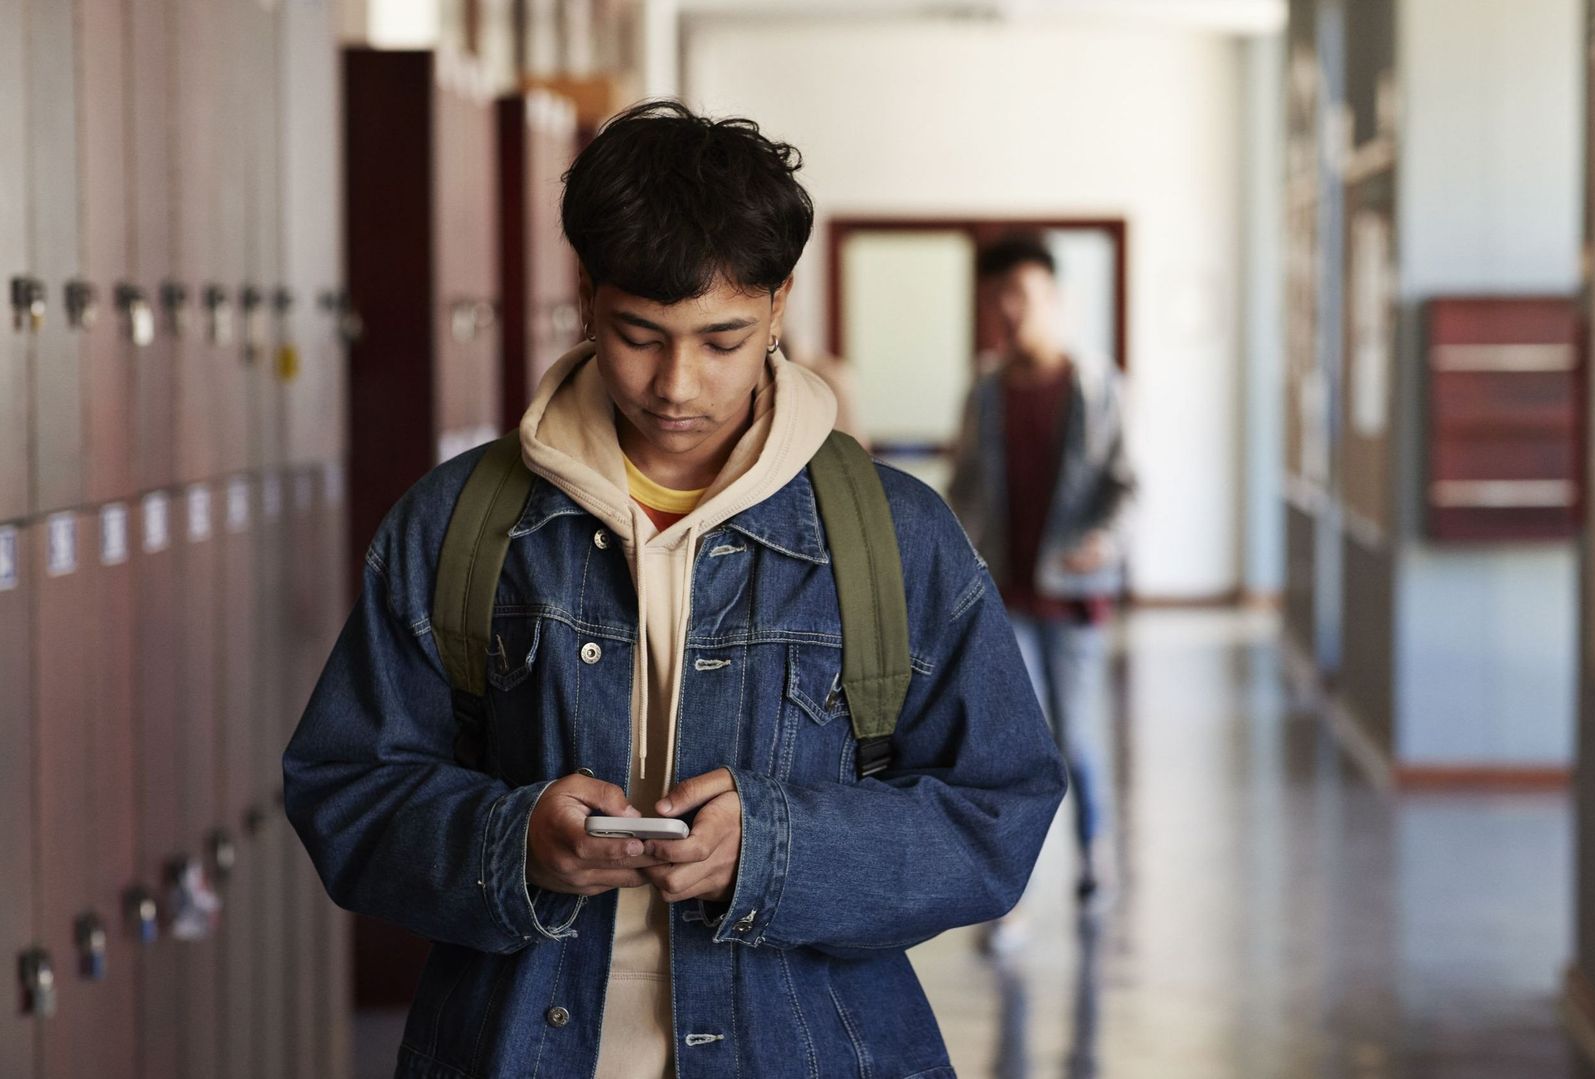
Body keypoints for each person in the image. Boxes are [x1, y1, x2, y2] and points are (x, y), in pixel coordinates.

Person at [284, 101, 1065, 1079]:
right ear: (585, 297)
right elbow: (345, 788)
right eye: (640, 335)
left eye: (722, 340)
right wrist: (513, 841)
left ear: (780, 305)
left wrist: (777, 848)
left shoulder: (897, 536)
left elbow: (999, 812)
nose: (677, 385)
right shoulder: (456, 524)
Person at [948, 232, 1135, 907]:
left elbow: (1124, 484)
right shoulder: (985, 391)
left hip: (1073, 594)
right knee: (1003, 748)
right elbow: (965, 487)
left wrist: (1104, 540)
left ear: (1054, 297)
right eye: (998, 296)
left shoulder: (1096, 386)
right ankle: (1007, 897)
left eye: (1021, 294)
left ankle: (1094, 854)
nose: (1010, 308)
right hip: (1001, 595)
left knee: (1075, 737)